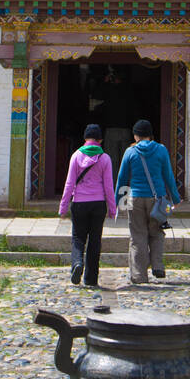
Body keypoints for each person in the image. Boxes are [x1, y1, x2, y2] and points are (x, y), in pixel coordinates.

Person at [115, 119, 180, 285]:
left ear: (135, 135)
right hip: (157, 199)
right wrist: (175, 197)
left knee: (138, 236)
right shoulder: (161, 150)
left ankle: (139, 275)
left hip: (135, 198)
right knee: (157, 232)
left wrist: (117, 201)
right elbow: (168, 176)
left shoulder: (130, 152)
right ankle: (158, 266)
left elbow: (122, 178)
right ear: (151, 135)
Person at [59, 123, 116, 288]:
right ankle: (91, 278)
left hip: (79, 203)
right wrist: (112, 209)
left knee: (78, 238)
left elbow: (69, 184)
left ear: (85, 139)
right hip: (98, 204)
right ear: (100, 140)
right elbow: (108, 186)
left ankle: (77, 263)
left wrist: (63, 207)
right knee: (95, 240)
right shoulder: (105, 158)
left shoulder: (76, 156)